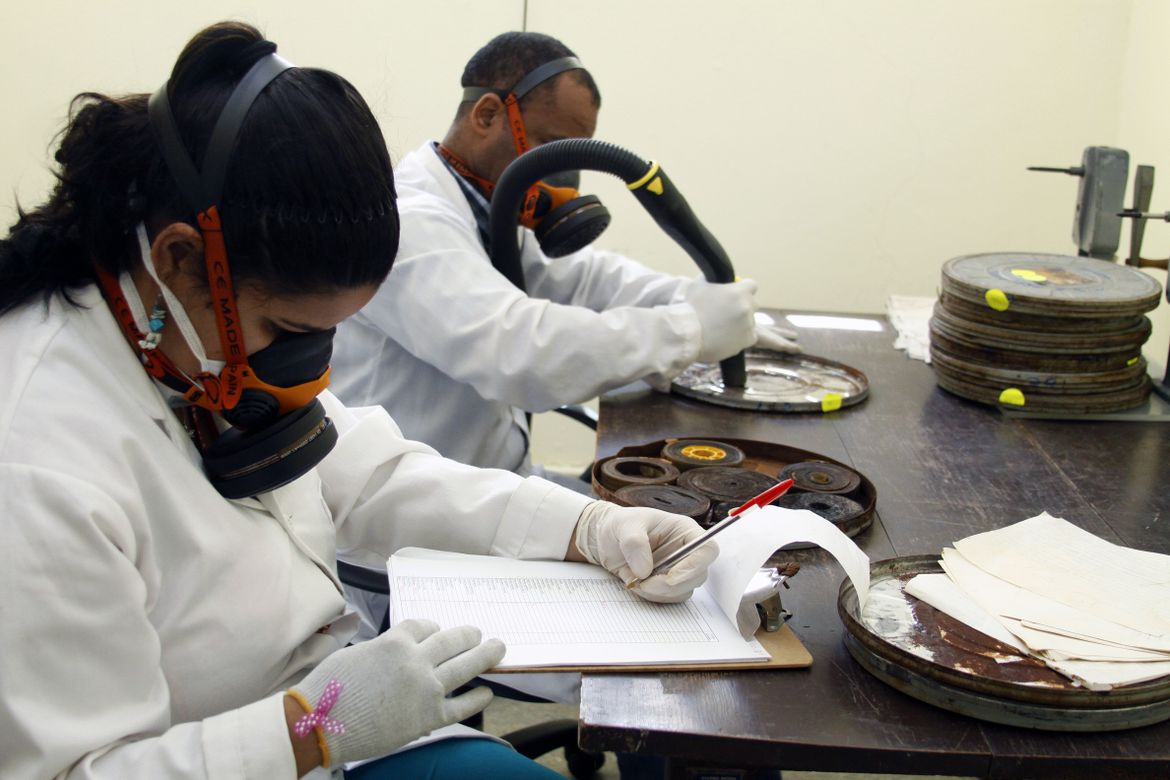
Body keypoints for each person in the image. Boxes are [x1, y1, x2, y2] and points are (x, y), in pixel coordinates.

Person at [0, 22, 718, 780]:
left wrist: (589, 525)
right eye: (288, 328)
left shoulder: (187, 339)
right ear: (181, 258)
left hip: (338, 719)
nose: (312, 372)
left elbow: (368, 472)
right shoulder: (41, 460)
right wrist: (312, 726)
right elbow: (72, 771)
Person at [330, 31, 799, 483]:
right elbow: (517, 350)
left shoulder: (488, 209)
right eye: (551, 146)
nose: (565, 173)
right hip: (409, 525)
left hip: (490, 486)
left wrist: (696, 299)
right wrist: (689, 331)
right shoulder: (407, 222)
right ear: (488, 115)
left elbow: (587, 279)